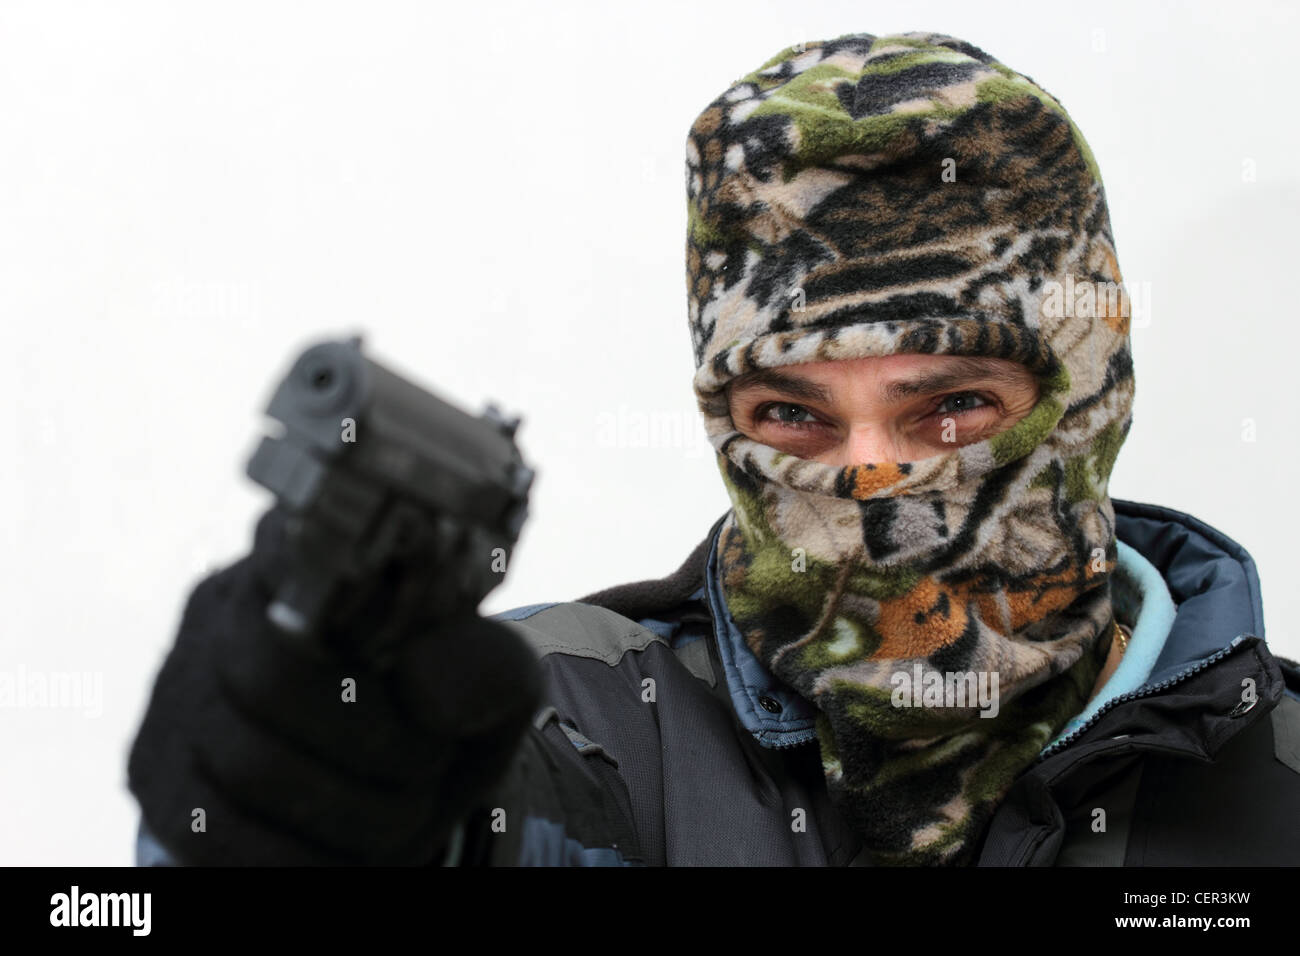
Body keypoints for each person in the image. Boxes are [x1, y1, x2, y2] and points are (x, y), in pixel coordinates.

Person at [129, 30, 1300, 867]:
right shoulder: (570, 714)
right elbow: (476, 815)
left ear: (1087, 385)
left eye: (947, 408)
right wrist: (283, 786)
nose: (867, 483)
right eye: (791, 416)